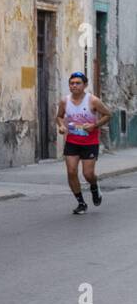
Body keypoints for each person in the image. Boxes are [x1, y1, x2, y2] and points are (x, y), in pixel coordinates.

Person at [56, 71, 111, 215]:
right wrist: (61, 126)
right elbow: (59, 117)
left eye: (78, 83)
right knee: (71, 171)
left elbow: (108, 114)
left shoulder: (93, 100)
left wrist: (95, 125)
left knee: (88, 174)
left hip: (89, 142)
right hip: (72, 141)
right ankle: (81, 203)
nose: (74, 86)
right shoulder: (64, 101)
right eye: (72, 83)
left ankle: (94, 186)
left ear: (85, 85)